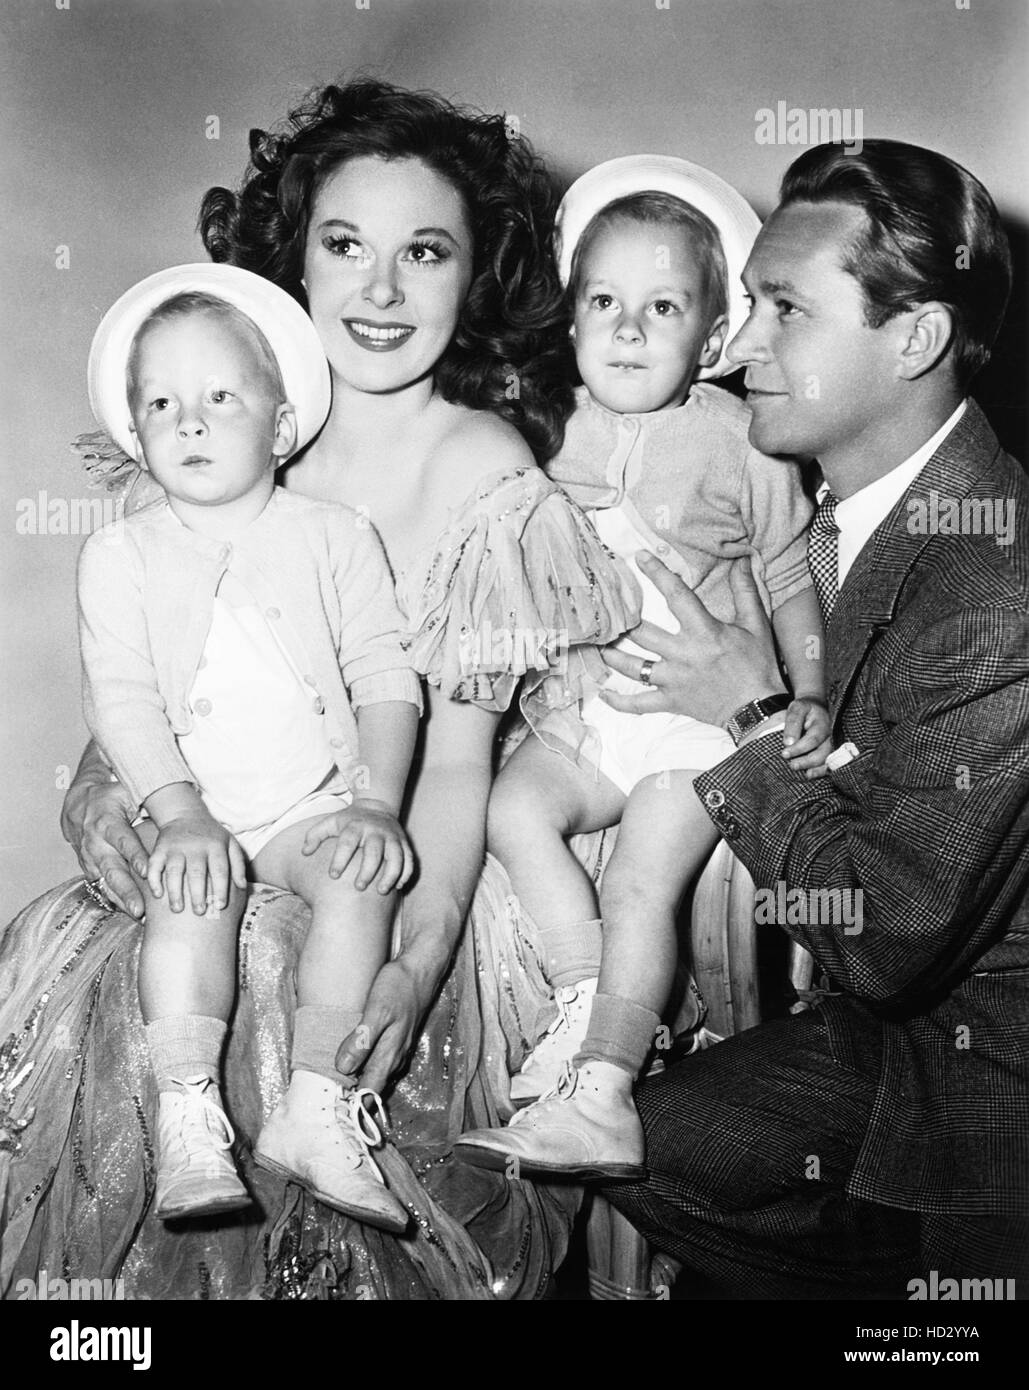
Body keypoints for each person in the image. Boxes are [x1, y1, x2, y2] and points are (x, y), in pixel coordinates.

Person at [0, 78, 639, 1299]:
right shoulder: (214, 409)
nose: (381, 292)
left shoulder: (481, 464)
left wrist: (424, 947)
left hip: (410, 852)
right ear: (292, 257)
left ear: (478, 274)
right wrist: (99, 793)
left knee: (305, 969)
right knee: (143, 990)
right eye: (345, 246)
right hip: (214, 827)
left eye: (426, 253)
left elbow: (458, 759)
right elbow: (152, 673)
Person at [593, 139, 1029, 1296]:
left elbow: (889, 936)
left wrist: (746, 708)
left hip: (997, 1070)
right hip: (889, 1030)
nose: (738, 349)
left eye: (785, 310)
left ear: (917, 338)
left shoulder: (998, 583)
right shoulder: (848, 508)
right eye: (746, 306)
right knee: (638, 1150)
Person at [458, 157, 829, 1182]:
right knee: (512, 811)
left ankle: (609, 1088)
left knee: (638, 882)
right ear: (570, 320)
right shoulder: (546, 426)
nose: (626, 329)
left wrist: (806, 691)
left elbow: (792, 576)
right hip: (590, 709)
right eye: (605, 303)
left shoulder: (740, 440)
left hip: (693, 727)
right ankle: (584, 993)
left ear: (711, 339)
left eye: (661, 307)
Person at [79, 264, 424, 1231]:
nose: (188, 421)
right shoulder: (119, 556)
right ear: (136, 436)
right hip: (196, 804)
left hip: (311, 800)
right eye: (161, 403)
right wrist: (181, 814)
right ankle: (188, 1112)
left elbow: (385, 675)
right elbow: (124, 699)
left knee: (361, 877)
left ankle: (315, 1107)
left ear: (279, 427)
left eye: (219, 396)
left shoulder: (334, 534)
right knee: (191, 891)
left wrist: (375, 803)